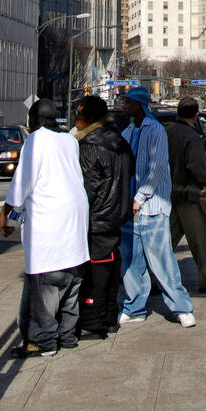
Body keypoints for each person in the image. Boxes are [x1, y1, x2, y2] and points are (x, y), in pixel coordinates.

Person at [0, 99, 89, 357]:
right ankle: (68, 336)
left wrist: (6, 215)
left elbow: (22, 183)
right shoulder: (69, 140)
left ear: (34, 120)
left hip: (50, 224)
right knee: (71, 282)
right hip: (76, 221)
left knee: (43, 287)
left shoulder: (35, 140)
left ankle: (42, 342)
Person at [119, 89, 196, 327]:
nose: (124, 107)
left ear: (140, 105)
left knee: (162, 260)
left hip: (152, 206)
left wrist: (140, 197)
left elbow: (158, 167)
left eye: (128, 103)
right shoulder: (128, 132)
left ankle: (181, 307)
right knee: (132, 262)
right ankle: (134, 307)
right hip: (130, 209)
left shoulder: (156, 131)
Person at [74, 94, 134, 339]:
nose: (75, 120)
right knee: (110, 268)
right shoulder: (119, 141)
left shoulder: (90, 146)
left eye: (78, 115)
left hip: (96, 220)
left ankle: (93, 319)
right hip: (116, 216)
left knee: (95, 273)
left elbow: (88, 188)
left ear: (87, 117)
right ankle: (109, 316)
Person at [167, 97, 206, 293]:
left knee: (166, 240)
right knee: (202, 240)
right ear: (195, 116)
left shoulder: (167, 132)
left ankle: (152, 278)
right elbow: (198, 166)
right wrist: (204, 181)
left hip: (169, 193)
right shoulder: (192, 136)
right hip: (191, 193)